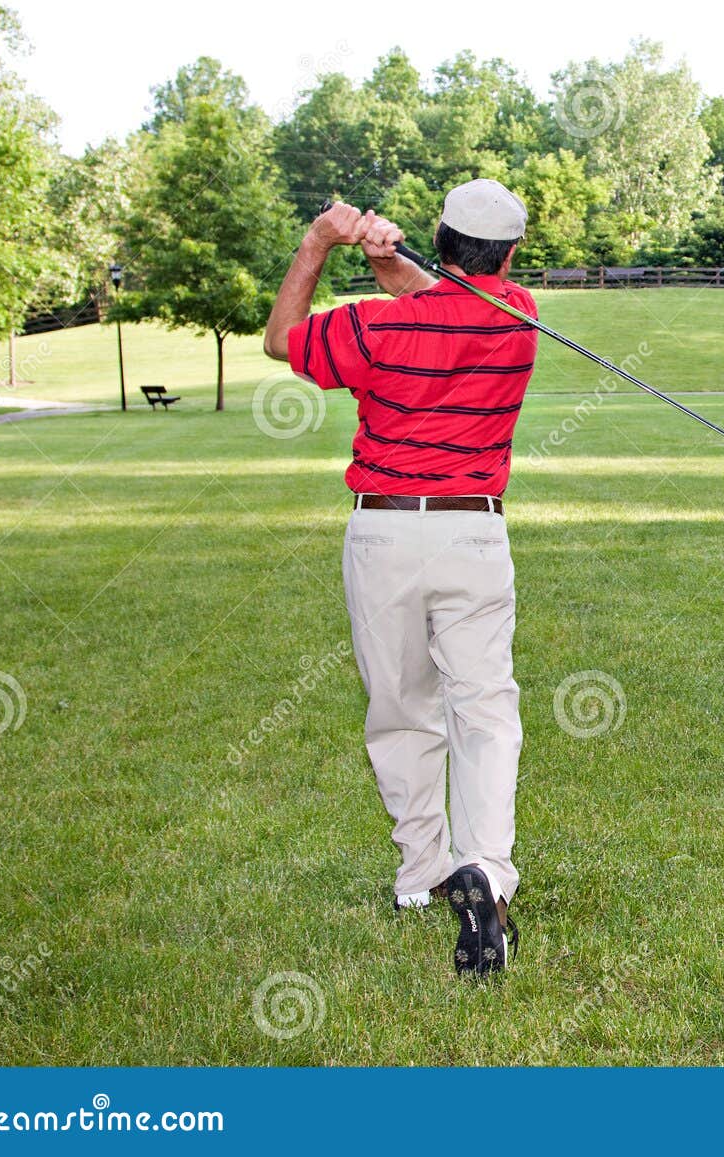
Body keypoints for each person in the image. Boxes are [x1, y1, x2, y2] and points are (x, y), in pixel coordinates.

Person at [263, 179, 536, 976]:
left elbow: (281, 340)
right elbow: (453, 305)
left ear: (440, 241)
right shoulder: (518, 318)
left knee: (401, 708)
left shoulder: (374, 326)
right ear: (509, 256)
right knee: (483, 710)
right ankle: (486, 871)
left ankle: (423, 873)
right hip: (474, 531)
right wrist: (390, 261)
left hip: (383, 531)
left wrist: (323, 240)